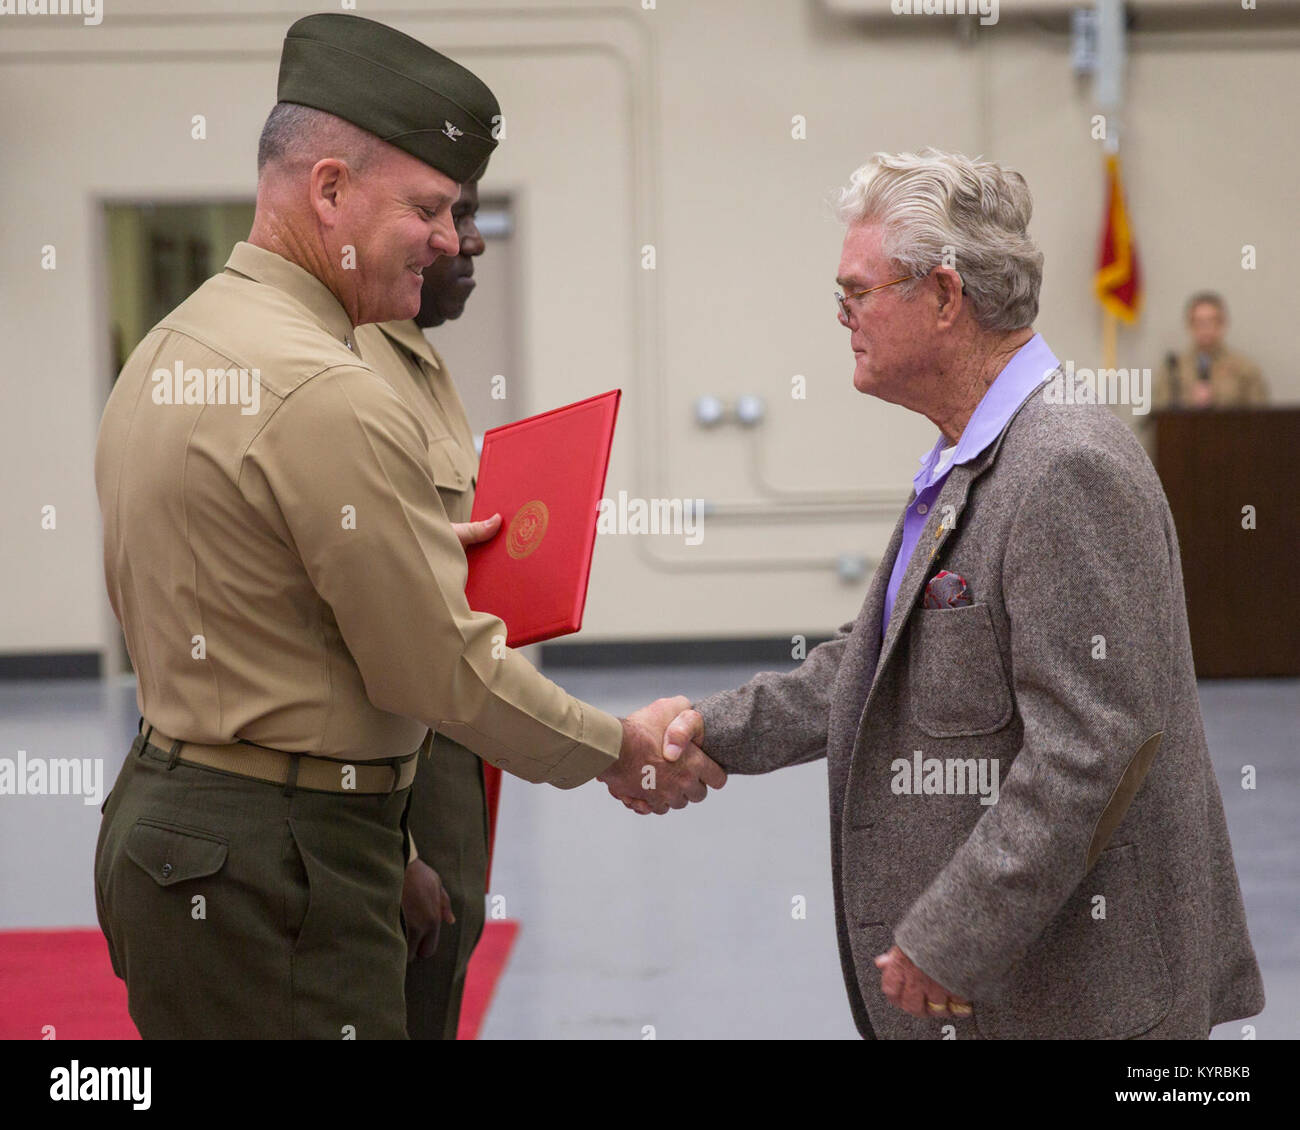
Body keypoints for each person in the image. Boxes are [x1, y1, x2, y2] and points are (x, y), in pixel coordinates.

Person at [93, 12, 722, 1040]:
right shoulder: (324, 387)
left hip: (196, 819)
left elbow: (251, 601)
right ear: (328, 188)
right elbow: (438, 669)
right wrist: (618, 747)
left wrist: (385, 849)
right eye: (427, 207)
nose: (450, 236)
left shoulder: (179, 344)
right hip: (272, 856)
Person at [646, 150, 1265, 1039]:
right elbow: (872, 663)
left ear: (943, 297)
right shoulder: (973, 452)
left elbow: (1092, 745)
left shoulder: (1064, 466)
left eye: (856, 293)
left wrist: (957, 929)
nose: (843, 318)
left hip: (1085, 1002)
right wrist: (709, 731)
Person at [353, 177, 494, 1040]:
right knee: (410, 970)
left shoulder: (417, 354)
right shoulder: (355, 369)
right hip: (394, 755)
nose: (469, 242)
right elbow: (342, 633)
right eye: (449, 216)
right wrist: (393, 851)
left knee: (444, 957)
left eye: (469, 215)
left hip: (448, 731)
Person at [1156, 291, 1268, 409]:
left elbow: (1259, 413)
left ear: (1223, 324)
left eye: (1211, 321)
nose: (1205, 328)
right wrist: (1190, 400)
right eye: (1199, 322)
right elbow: (1160, 411)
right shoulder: (1173, 368)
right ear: (1189, 325)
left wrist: (1218, 397)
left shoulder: (1244, 368)